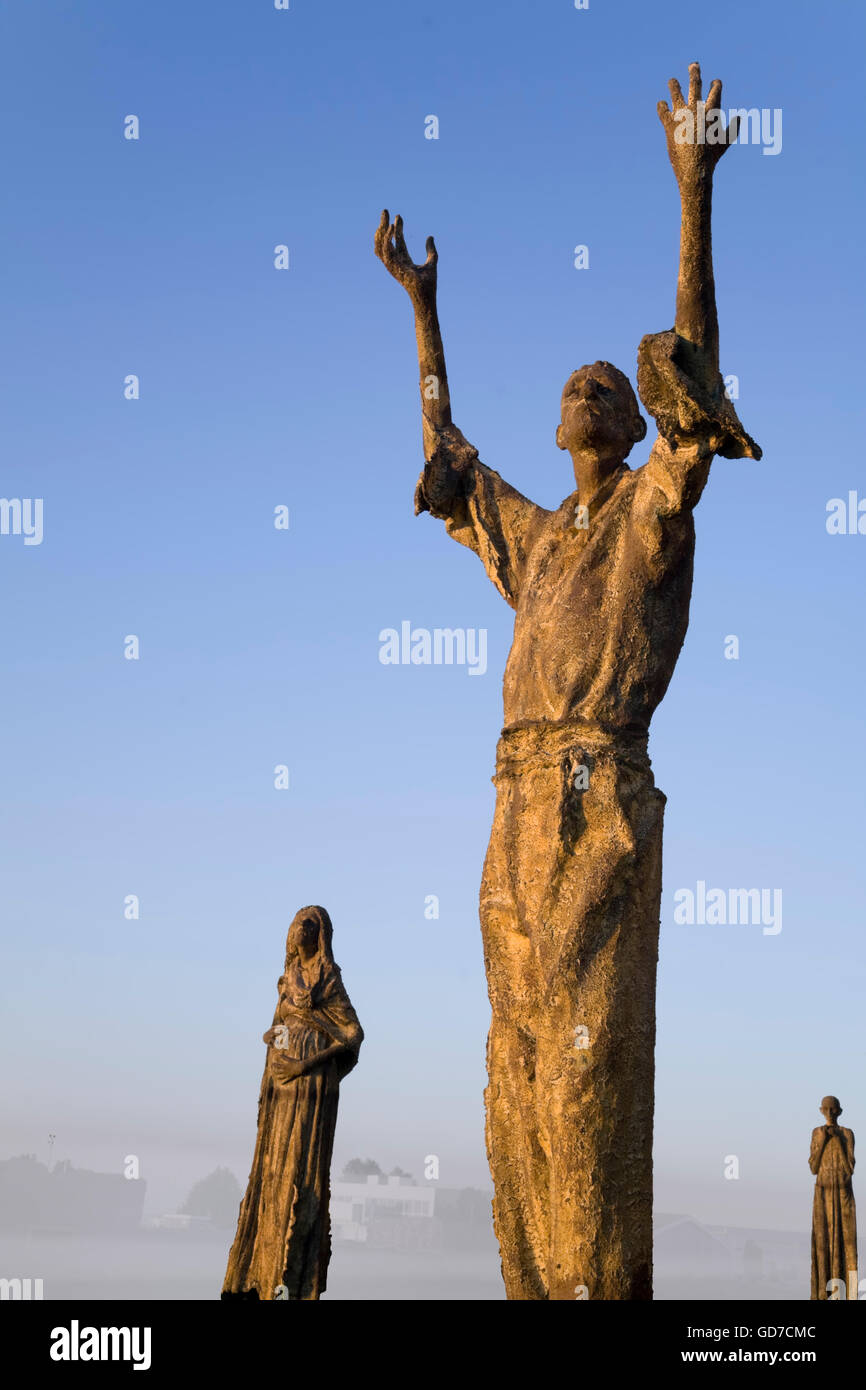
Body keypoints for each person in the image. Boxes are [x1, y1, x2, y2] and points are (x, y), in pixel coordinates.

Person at [375, 63, 760, 1298]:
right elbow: (444, 450)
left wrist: (691, 194)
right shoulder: (538, 542)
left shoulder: (651, 512)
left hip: (598, 795)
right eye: (571, 389)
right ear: (555, 432)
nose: (586, 390)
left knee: (587, 1076)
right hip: (511, 802)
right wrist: (423, 312)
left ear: (631, 427)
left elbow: (689, 372)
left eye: (605, 388)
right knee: (516, 1071)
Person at [222, 905, 363, 1300]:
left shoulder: (329, 979)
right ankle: (260, 1269)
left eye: (310, 924)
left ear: (321, 934)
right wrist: (277, 1049)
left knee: (300, 1162)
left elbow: (353, 1034)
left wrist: (305, 1063)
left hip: (311, 1085)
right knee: (274, 1165)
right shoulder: (287, 979)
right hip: (283, 1082)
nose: (302, 928)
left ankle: (293, 1277)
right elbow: (281, 1026)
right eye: (299, 922)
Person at [809, 1095, 857, 1300]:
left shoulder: (847, 1134)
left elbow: (850, 1167)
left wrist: (837, 1140)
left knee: (847, 1243)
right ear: (821, 1111)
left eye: (833, 1109)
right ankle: (823, 1293)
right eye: (826, 1109)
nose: (830, 1113)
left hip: (843, 1192)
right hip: (823, 1192)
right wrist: (823, 1140)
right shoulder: (817, 1133)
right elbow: (813, 1167)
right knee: (823, 1242)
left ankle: (848, 1294)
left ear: (839, 1111)